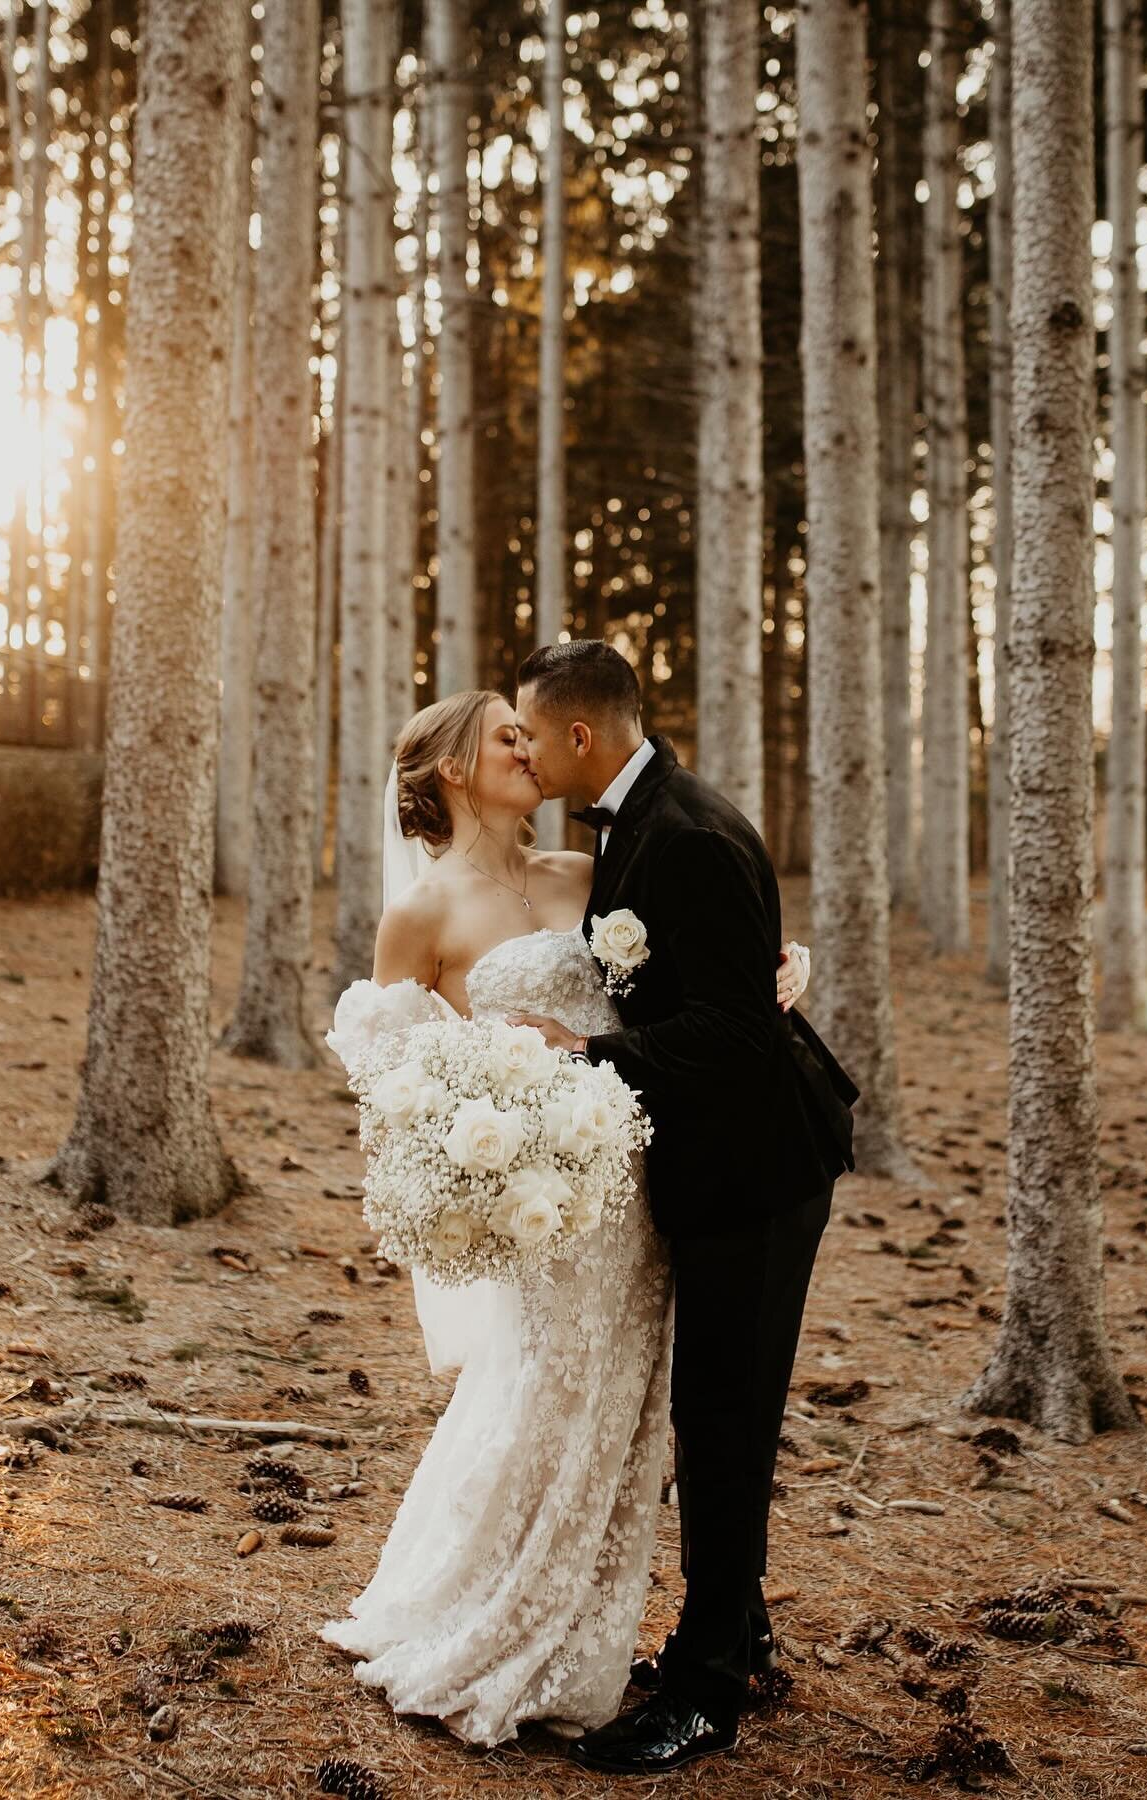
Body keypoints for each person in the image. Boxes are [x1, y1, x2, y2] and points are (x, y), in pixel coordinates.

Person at [319, 685, 806, 1749]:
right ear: (452, 766)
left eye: (526, 733)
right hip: (542, 1198)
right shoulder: (424, 911)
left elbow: (692, 967)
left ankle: (604, 1623)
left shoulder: (587, 876)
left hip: (644, 1186)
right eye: (506, 737)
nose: (528, 750)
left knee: (635, 1402)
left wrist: (782, 961)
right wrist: (487, 1140)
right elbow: (395, 1078)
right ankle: (505, 1616)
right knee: (554, 1385)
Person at [510, 640, 859, 1775]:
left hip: (759, 1169)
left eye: (529, 728)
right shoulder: (638, 819)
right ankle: (738, 1626)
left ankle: (707, 1689)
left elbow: (732, 1030)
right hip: (709, 1156)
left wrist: (584, 1056)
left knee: (724, 1420)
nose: (520, 745)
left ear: (579, 736)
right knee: (712, 1410)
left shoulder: (689, 834)